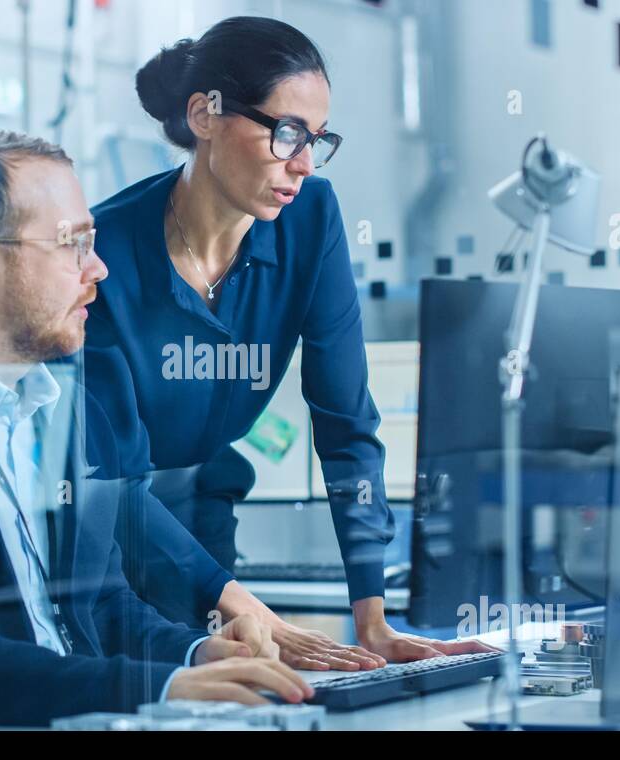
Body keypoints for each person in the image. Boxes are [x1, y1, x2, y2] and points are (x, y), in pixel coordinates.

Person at [0, 130, 312, 727]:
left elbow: (98, 605)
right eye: (74, 244)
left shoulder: (61, 401)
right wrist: (158, 687)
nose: (99, 267)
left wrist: (197, 656)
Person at [85, 16, 495, 667]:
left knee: (234, 697)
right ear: (205, 115)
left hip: (203, 513)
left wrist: (374, 617)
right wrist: (243, 604)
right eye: (285, 134)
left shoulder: (311, 219)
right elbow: (112, 477)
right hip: (95, 539)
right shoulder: (104, 252)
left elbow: (346, 424)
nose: (303, 164)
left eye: (317, 138)